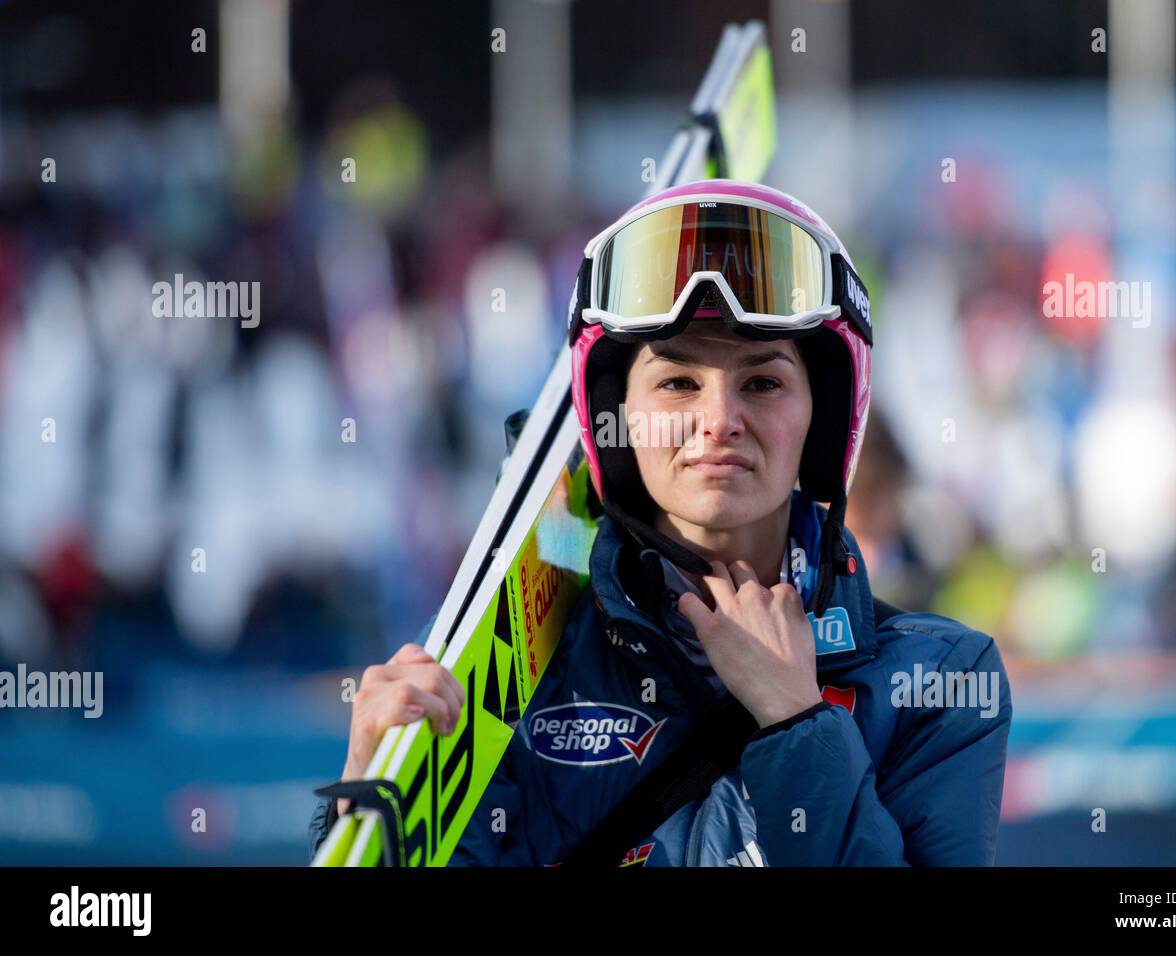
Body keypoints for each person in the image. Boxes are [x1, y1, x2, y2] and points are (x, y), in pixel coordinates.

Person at [309, 179, 1012, 866]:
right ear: (615, 419)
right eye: (677, 383)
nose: (719, 423)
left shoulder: (938, 681)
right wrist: (373, 820)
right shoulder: (514, 645)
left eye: (762, 383)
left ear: (824, 419)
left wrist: (798, 726)